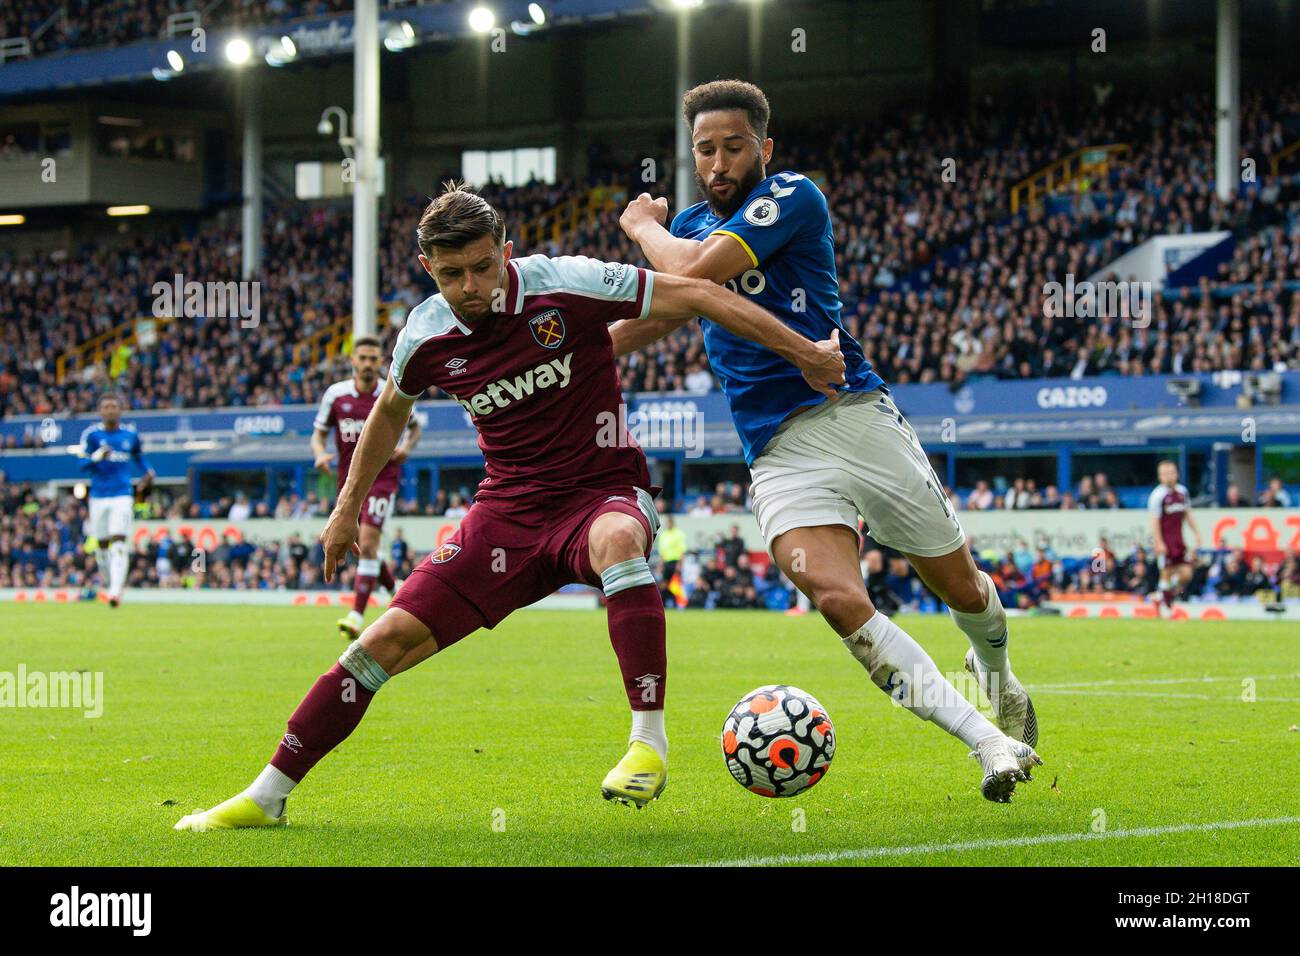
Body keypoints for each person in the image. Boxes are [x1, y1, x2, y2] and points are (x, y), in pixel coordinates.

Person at [174, 181, 843, 831]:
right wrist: (345, 509)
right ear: (426, 268)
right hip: (506, 516)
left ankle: (648, 743)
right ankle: (268, 794)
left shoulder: (567, 282)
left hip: (600, 491)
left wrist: (806, 352)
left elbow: (693, 292)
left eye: (482, 267)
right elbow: (387, 414)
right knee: (379, 645)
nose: (470, 287)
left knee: (617, 540)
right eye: (451, 274)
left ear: (507, 247)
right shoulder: (425, 336)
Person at [613, 79, 1040, 801]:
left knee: (960, 587)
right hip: (779, 454)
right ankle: (988, 742)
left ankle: (996, 672)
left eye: (733, 147)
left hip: (854, 417)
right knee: (838, 599)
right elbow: (664, 312)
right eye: (705, 150)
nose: (718, 163)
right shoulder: (690, 225)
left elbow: (685, 272)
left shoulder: (792, 197)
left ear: (764, 149)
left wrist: (640, 227)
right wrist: (573, 359)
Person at [312, 335, 422, 639]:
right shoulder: (336, 395)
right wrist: (320, 454)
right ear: (352, 361)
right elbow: (318, 435)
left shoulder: (389, 392)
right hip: (349, 484)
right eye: (363, 358)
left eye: (374, 358)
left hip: (383, 479)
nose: (368, 363)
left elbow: (415, 428)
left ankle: (356, 616)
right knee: (362, 547)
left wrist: (407, 449)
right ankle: (397, 592)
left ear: (380, 361)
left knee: (369, 544)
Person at [78, 391, 154, 607]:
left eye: (114, 406)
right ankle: (111, 582)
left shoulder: (130, 435)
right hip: (98, 497)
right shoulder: (91, 436)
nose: (110, 410)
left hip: (122, 495)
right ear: (100, 411)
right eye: (106, 407)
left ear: (120, 410)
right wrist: (96, 456)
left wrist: (148, 471)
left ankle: (114, 592)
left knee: (119, 542)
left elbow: (139, 456)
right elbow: (80, 464)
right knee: (102, 548)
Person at [1148, 459, 1203, 613]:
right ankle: (1167, 609)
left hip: (1179, 541)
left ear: (1177, 474)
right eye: (1165, 474)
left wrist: (1197, 533)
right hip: (1166, 542)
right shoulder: (1157, 495)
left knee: (1186, 574)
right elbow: (1155, 521)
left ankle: (1161, 594)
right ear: (1160, 477)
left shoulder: (1182, 492)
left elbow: (1187, 514)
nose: (1169, 477)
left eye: (1171, 473)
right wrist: (1159, 542)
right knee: (1165, 571)